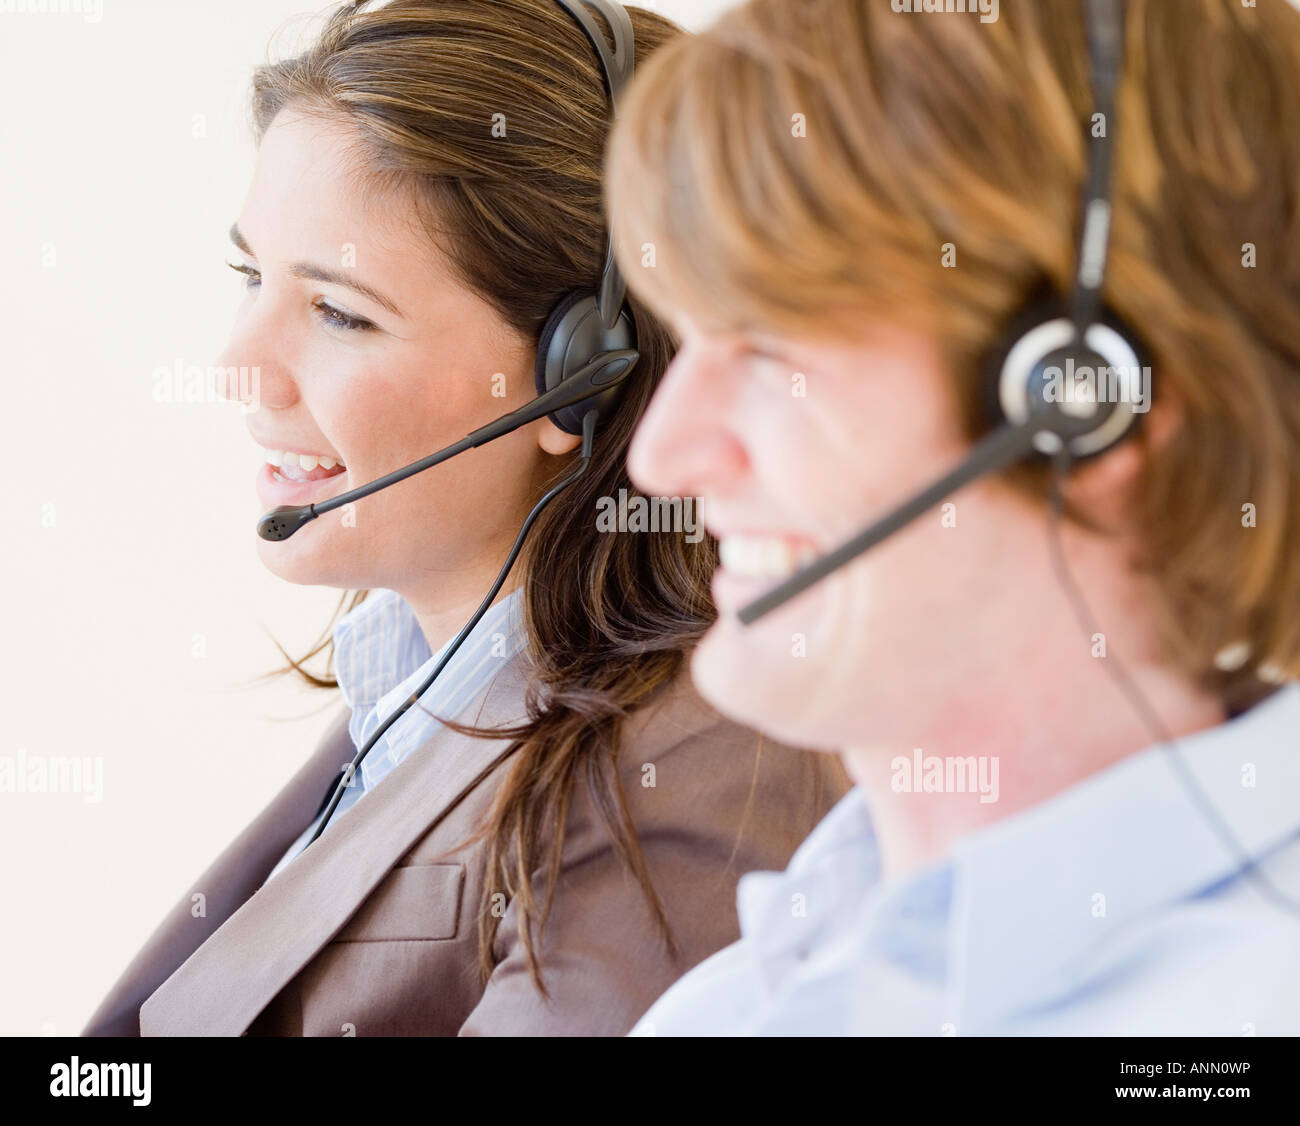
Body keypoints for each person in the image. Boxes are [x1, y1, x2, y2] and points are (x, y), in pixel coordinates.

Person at [82, 0, 847, 1038]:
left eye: (339, 311)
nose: (236, 368)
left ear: (582, 376)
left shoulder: (678, 782)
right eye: (249, 275)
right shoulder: (414, 686)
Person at [605, 0, 1300, 1034]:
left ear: (1081, 401)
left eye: (770, 352)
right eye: (686, 335)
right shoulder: (729, 1000)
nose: (661, 456)